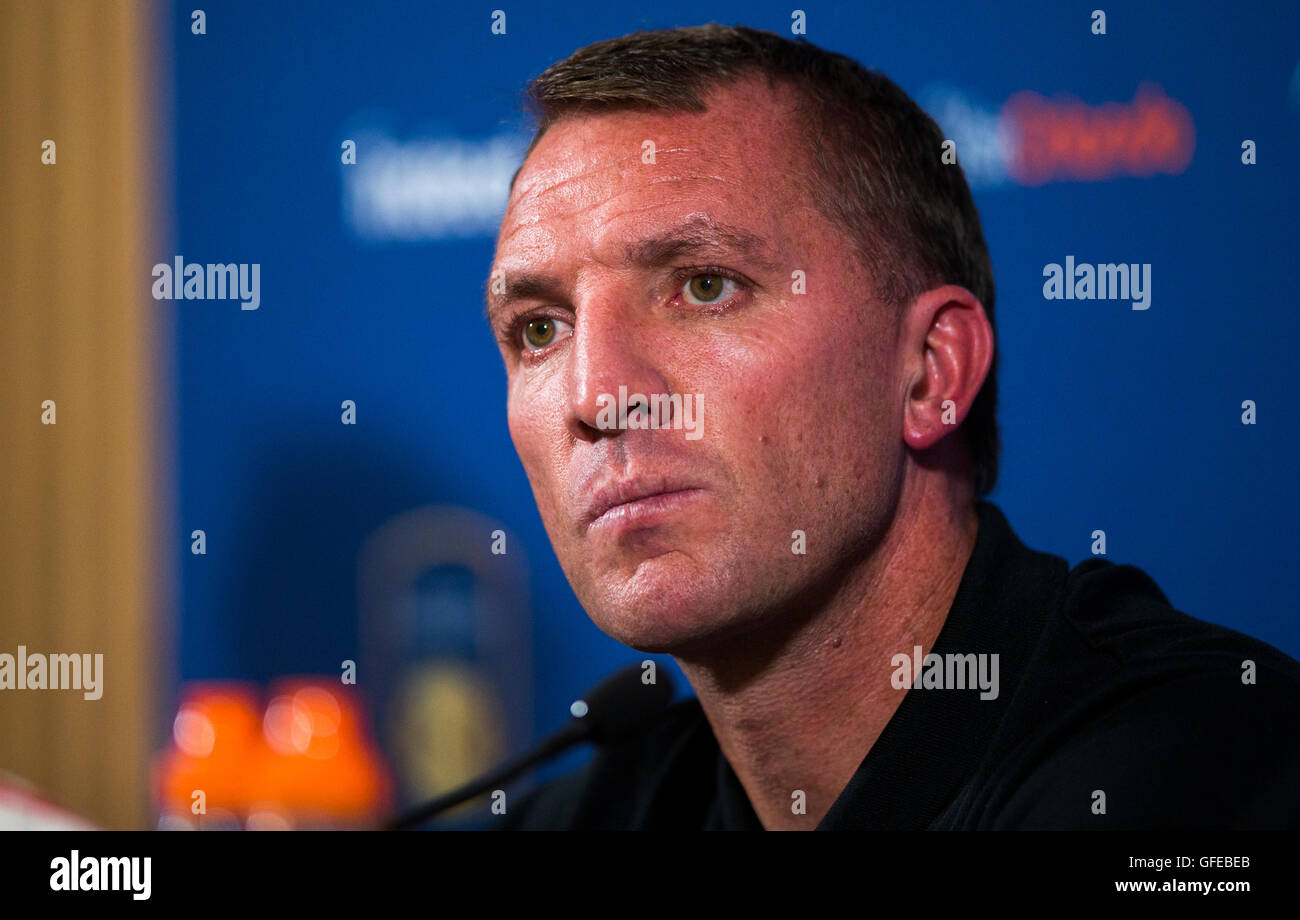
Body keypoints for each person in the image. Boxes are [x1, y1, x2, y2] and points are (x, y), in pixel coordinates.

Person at [482, 24, 1300, 829]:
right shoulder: (585, 812)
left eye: (704, 286)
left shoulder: (1209, 774)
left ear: (929, 373)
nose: (595, 397)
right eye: (541, 330)